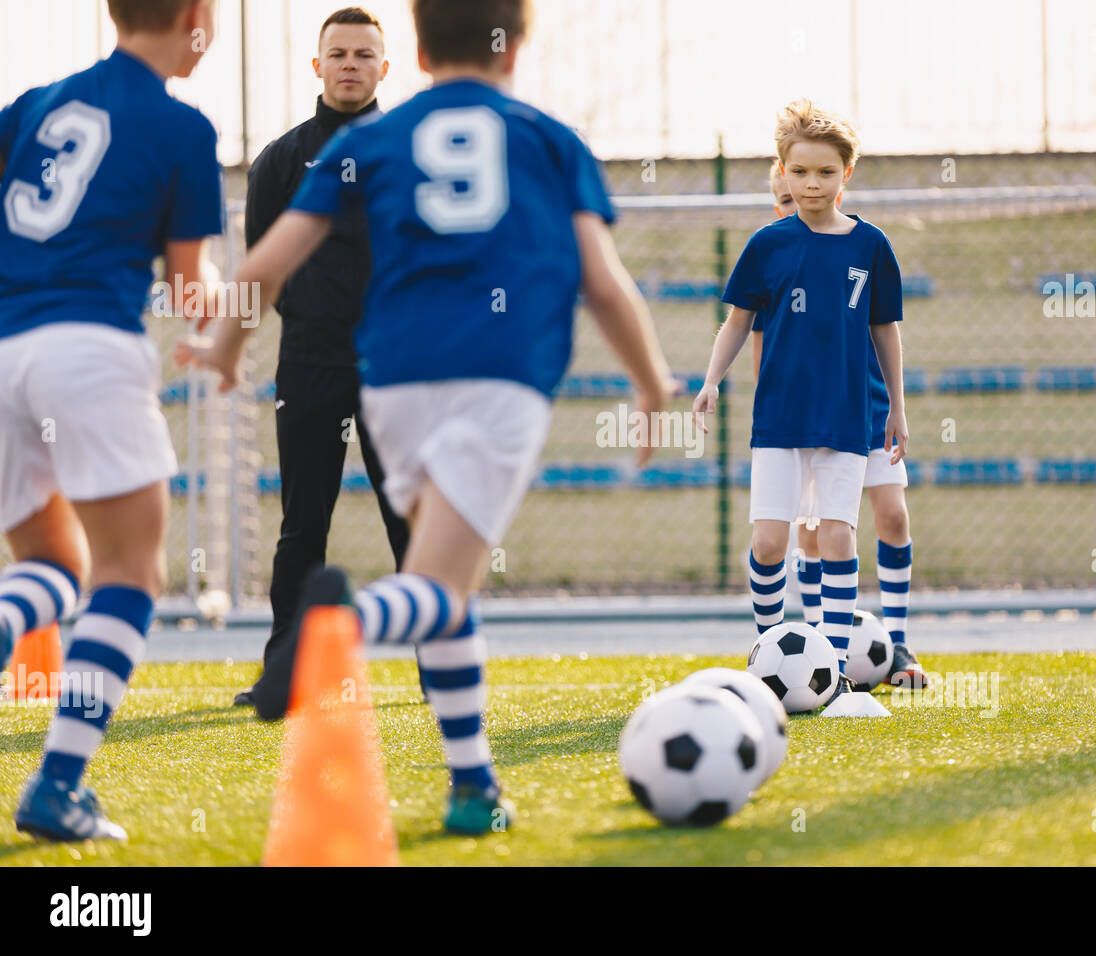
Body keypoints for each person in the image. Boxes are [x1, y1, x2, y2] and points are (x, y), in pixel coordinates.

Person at [179, 0, 675, 835]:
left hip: (394, 380)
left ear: (409, 47)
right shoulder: (546, 139)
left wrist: (227, 341)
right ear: (516, 42)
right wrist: (653, 385)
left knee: (449, 581)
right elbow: (602, 279)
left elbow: (268, 258)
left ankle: (474, 785)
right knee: (440, 584)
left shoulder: (366, 143)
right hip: (497, 378)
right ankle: (338, 623)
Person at [0, 0, 224, 840]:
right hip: (87, 348)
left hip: (4, 344)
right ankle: (57, 787)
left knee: (56, 562)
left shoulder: (37, 103)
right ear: (197, 16)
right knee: (128, 575)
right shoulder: (180, 127)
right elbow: (186, 285)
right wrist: (234, 325)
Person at [694, 98, 910, 714]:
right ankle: (766, 655)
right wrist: (712, 380)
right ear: (782, 173)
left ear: (847, 174)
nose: (811, 184)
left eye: (824, 172)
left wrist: (897, 407)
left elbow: (885, 330)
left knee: (838, 538)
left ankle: (837, 676)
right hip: (780, 422)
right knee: (769, 542)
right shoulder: (767, 245)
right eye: (799, 172)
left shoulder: (871, 246)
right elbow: (737, 322)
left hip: (845, 419)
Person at [233, 5, 410, 711]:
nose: (349, 64)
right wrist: (312, 325)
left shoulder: (409, 151)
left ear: (383, 68)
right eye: (337, 53)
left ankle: (441, 670)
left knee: (412, 521)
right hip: (309, 366)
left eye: (364, 55)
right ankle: (286, 668)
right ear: (317, 65)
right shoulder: (281, 159)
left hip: (396, 371)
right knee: (304, 524)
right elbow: (262, 263)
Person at [751, 159, 927, 689]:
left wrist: (896, 404)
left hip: (864, 407)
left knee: (891, 516)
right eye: (783, 198)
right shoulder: (776, 261)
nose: (796, 200)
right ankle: (812, 655)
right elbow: (759, 348)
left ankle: (895, 643)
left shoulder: (858, 250)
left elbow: (884, 327)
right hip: (803, 419)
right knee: (809, 532)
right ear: (777, 205)